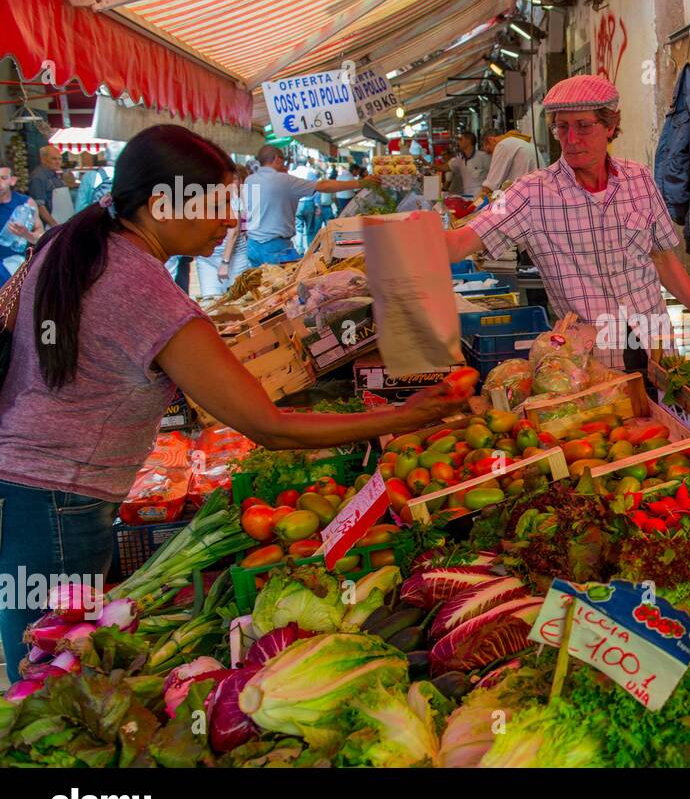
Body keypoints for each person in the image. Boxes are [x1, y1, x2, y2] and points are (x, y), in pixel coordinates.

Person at [0, 125, 469, 682]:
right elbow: (266, 425)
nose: (231, 221)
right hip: (60, 499)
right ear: (160, 203)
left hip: (30, 485)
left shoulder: (83, 244)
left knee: (47, 660)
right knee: (50, 677)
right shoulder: (140, 288)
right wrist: (405, 416)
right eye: (218, 204)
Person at [446, 75, 690, 372]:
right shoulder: (530, 193)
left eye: (583, 126)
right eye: (562, 127)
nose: (572, 139)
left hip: (658, 353)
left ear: (611, 125)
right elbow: (461, 242)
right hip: (593, 370)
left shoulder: (639, 179)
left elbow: (662, 258)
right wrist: (400, 239)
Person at [242, 146, 360, 267]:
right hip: (274, 246)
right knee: (279, 284)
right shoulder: (283, 179)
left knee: (259, 284)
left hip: (253, 244)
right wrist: (360, 183)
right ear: (277, 159)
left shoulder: (249, 179)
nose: (285, 165)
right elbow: (323, 186)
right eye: (283, 161)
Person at [194, 162, 252, 297]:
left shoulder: (232, 197)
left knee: (237, 300)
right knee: (211, 300)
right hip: (207, 258)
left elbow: (234, 231)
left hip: (234, 256)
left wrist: (224, 262)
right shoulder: (203, 193)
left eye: (235, 179)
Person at [479, 129, 538, 199]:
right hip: (535, 194)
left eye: (490, 152)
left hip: (526, 198)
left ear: (491, 140)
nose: (492, 156)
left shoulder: (503, 145)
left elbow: (489, 187)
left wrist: (473, 206)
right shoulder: (524, 143)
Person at [444, 131, 492, 198]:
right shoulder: (460, 160)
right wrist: (428, 164)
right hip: (467, 197)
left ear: (468, 141)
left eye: (461, 139)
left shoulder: (484, 156)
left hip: (482, 198)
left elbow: (494, 174)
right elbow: (445, 167)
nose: (458, 142)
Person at [28, 144, 66, 214]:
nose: (58, 162)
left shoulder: (55, 174)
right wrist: (53, 224)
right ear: (43, 160)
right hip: (49, 223)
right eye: (54, 159)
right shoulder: (38, 177)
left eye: (60, 159)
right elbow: (40, 206)